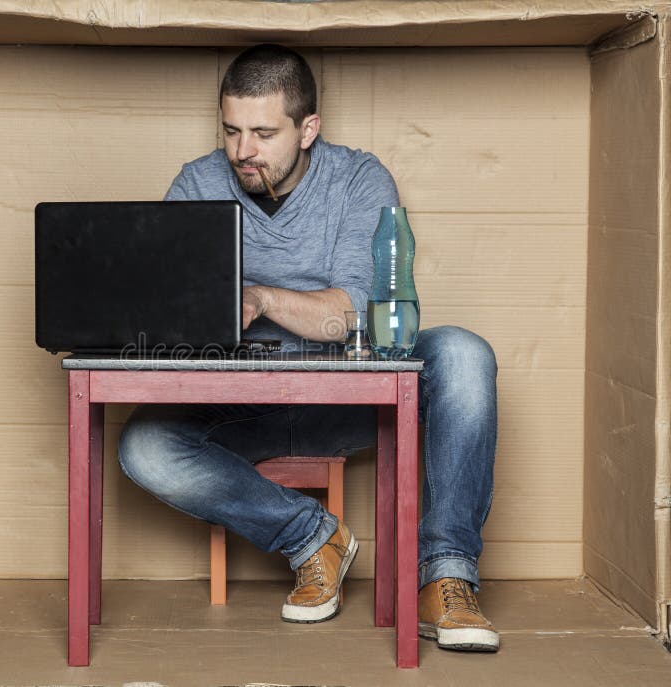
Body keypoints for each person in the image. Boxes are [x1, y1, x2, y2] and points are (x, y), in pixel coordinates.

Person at [118, 44, 499, 652]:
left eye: (264, 133)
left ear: (308, 129)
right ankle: (311, 537)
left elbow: (354, 317)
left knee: (463, 353)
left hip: (346, 398)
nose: (243, 151)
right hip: (240, 402)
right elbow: (170, 310)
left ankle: (446, 576)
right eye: (232, 131)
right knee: (144, 446)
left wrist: (261, 299)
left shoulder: (359, 179)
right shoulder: (197, 181)